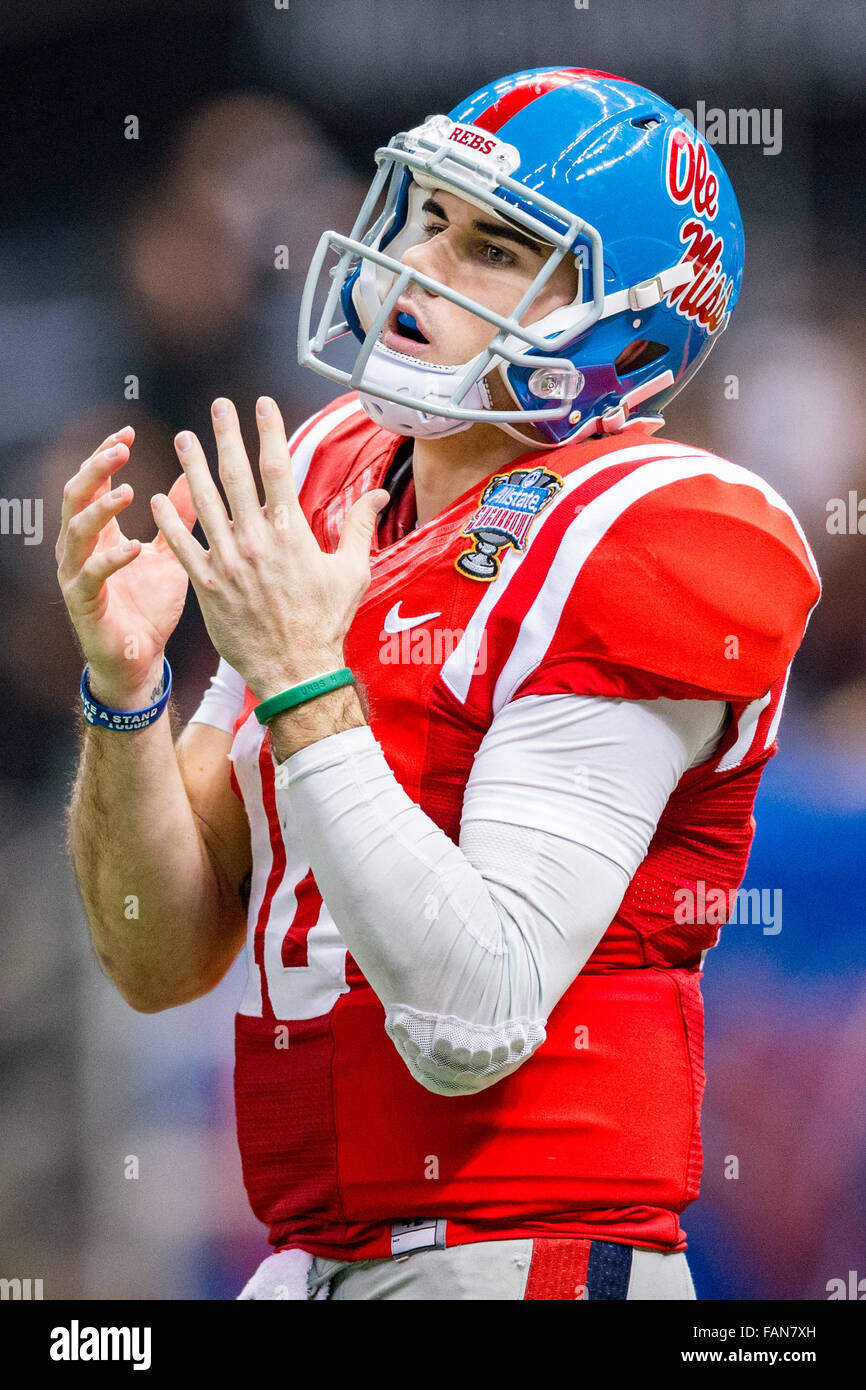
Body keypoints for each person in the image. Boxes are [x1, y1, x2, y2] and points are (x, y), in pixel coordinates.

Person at [58, 68, 821, 1300]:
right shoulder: (333, 463)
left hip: (517, 1251)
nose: (419, 265)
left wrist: (305, 677)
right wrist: (124, 690)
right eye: (428, 217)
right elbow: (158, 955)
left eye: (496, 248)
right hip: (314, 1251)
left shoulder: (657, 530)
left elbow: (477, 1015)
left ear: (624, 326)